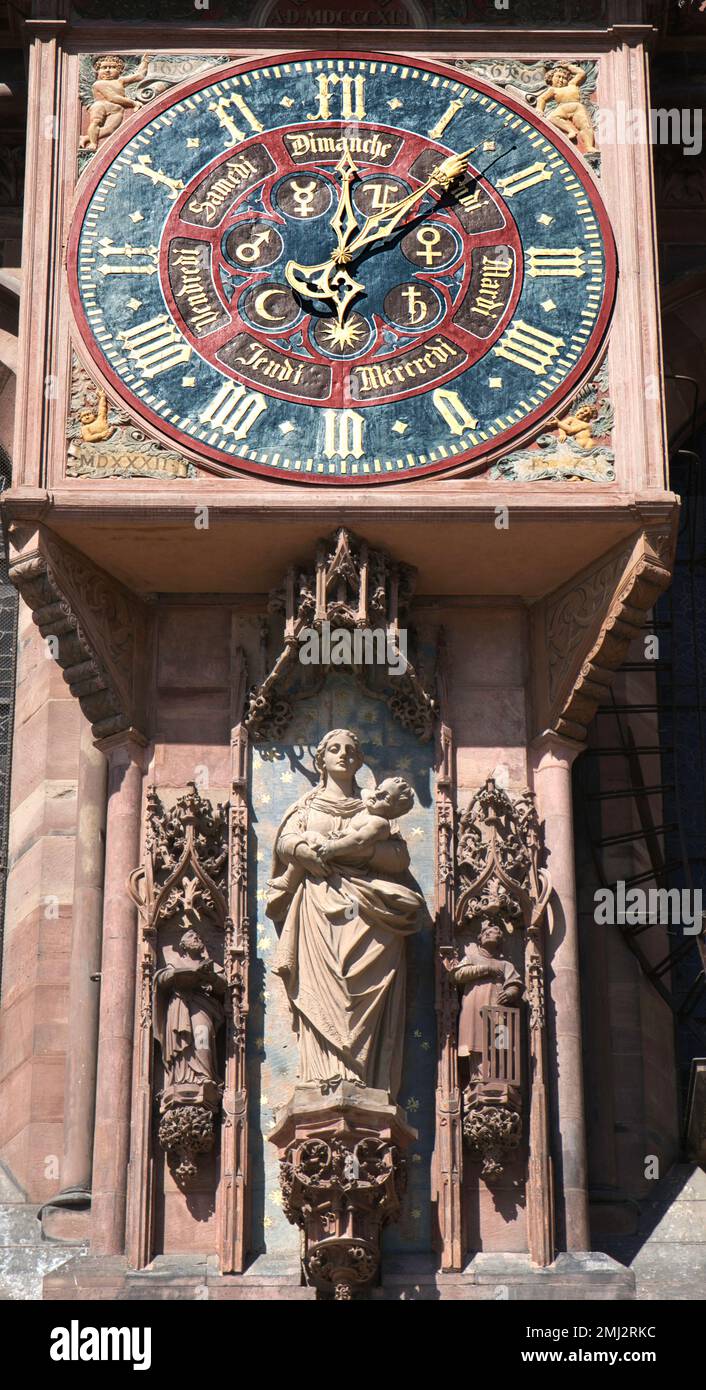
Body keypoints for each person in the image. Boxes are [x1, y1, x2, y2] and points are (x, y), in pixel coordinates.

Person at [266, 729, 423, 1100]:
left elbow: (399, 858)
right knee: (322, 990)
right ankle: (322, 1079)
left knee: (362, 989)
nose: (344, 756)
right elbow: (286, 842)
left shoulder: (373, 808)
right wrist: (303, 852)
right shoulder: (307, 807)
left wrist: (352, 854)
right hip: (318, 909)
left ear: (360, 760)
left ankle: (368, 1081)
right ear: (320, 759)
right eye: (335, 749)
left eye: (352, 751)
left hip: (369, 915)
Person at [154, 927, 227, 1088]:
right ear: (183, 945)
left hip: (202, 1006)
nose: (197, 938)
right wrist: (175, 974)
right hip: (180, 1006)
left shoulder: (209, 965)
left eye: (199, 936)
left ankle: (204, 1076)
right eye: (192, 936)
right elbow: (160, 979)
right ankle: (180, 1078)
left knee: (203, 1034)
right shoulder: (176, 963)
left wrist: (212, 978)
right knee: (181, 1039)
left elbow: (223, 986)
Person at [454, 919, 523, 1079]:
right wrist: (485, 969)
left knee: (499, 1044)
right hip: (475, 1007)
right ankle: (478, 1077)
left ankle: (498, 1077)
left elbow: (515, 984)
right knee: (477, 1042)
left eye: (493, 932)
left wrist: (510, 993)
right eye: (484, 932)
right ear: (480, 939)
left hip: (498, 1008)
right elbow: (458, 974)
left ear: (500, 939)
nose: (487, 934)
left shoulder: (505, 964)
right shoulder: (471, 958)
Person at [80, 53, 151, 152]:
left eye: (112, 67)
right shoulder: (99, 84)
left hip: (116, 110)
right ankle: (93, 143)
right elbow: (112, 97)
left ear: (120, 70)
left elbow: (140, 76)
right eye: (104, 67)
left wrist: (145, 62)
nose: (108, 70)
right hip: (101, 106)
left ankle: (86, 138)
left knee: (110, 130)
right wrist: (133, 103)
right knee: (96, 122)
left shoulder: (120, 81)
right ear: (97, 71)